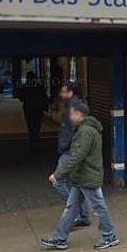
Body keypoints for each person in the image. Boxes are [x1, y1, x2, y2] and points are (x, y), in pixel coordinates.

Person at [41, 103, 120, 251]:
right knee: (71, 208)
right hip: (82, 177)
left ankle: (110, 236)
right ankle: (60, 238)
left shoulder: (86, 132)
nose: (70, 117)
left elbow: (76, 156)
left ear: (79, 114)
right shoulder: (84, 129)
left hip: (88, 177)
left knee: (99, 207)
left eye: (72, 114)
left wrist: (58, 174)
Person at [53, 81, 89, 228]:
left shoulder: (73, 109)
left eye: (63, 91)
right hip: (73, 149)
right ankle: (83, 215)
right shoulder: (73, 105)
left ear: (70, 92)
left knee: (57, 181)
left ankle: (75, 213)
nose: (61, 94)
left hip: (70, 150)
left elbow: (71, 131)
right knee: (78, 183)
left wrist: (63, 146)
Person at [18, 71, 48, 149]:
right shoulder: (38, 86)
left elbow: (21, 98)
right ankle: (36, 139)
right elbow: (43, 96)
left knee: (30, 124)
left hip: (28, 107)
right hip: (37, 108)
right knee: (37, 124)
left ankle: (32, 140)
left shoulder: (24, 86)